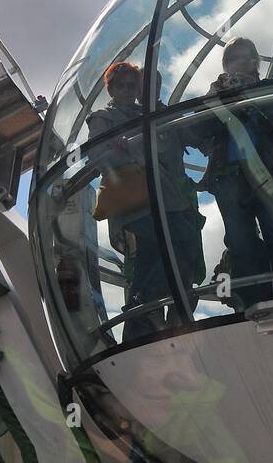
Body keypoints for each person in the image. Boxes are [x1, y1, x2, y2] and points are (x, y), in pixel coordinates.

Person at [87, 61, 204, 338]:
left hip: (168, 200)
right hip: (136, 202)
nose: (128, 90)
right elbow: (98, 157)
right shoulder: (103, 118)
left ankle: (151, 316)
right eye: (121, 85)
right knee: (164, 248)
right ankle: (145, 309)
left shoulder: (150, 113)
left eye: (133, 85)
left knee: (171, 253)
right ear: (111, 89)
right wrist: (128, 147)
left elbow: (188, 137)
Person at [195, 37, 273, 306]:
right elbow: (195, 134)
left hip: (270, 174)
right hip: (229, 177)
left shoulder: (270, 88)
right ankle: (250, 304)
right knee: (240, 241)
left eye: (248, 57)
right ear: (226, 66)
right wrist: (218, 100)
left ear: (256, 62)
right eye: (236, 58)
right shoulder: (216, 96)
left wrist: (254, 99)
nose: (243, 63)